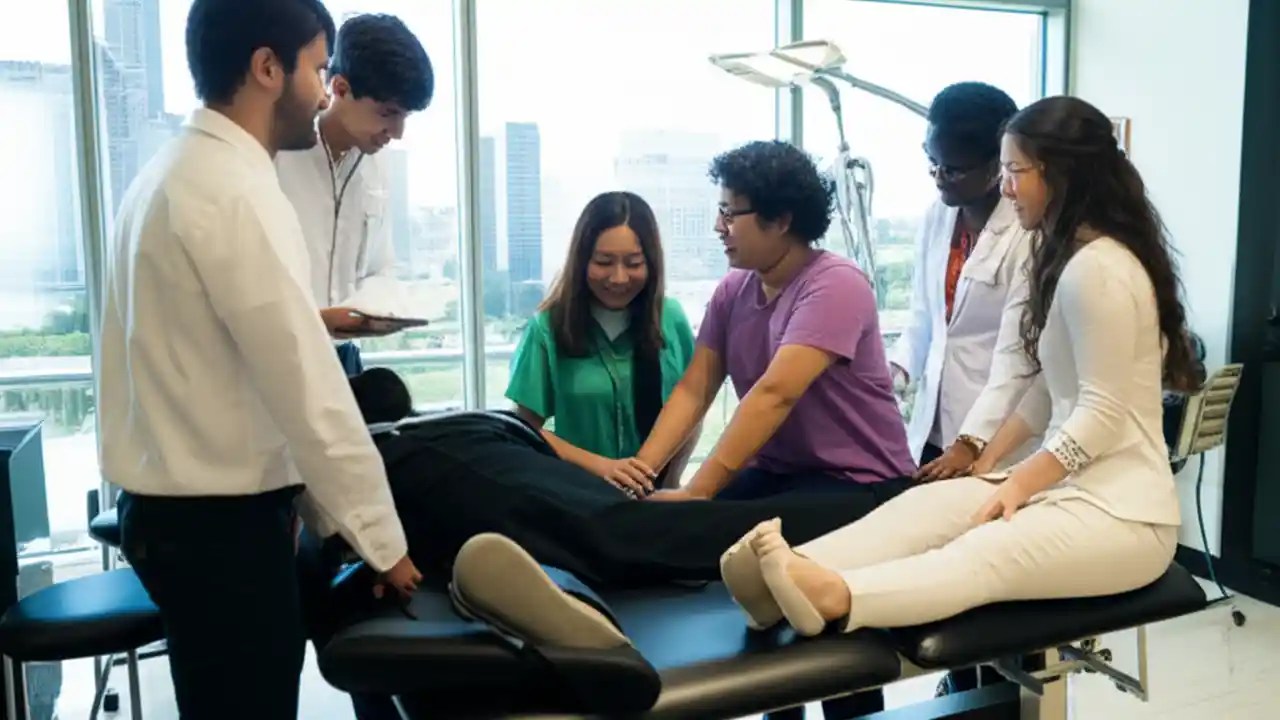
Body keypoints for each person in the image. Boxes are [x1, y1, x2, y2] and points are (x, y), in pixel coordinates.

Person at [712, 94, 1196, 641]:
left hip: (1122, 513)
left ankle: (835, 594)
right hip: (1064, 487)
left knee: (986, 550)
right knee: (930, 506)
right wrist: (988, 466)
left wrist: (1018, 483)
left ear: (1062, 174)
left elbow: (1101, 414)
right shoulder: (1062, 257)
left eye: (1014, 171)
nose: (1006, 187)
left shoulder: (1101, 270)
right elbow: (1044, 388)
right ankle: (790, 570)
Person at [97, 2, 421, 717]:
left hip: (174, 519)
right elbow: (308, 387)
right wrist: (384, 546)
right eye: (316, 66)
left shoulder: (170, 173)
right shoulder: (237, 190)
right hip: (219, 533)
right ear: (268, 68)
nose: (323, 84)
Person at [300, 368, 913, 720]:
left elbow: (345, 515)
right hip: (490, 454)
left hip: (457, 468)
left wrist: (374, 555)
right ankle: (568, 601)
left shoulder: (375, 446)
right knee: (614, 538)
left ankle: (887, 505)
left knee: (626, 536)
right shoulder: (424, 425)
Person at [635, 140, 916, 502]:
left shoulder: (834, 284)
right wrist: (640, 474)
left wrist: (696, 494)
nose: (719, 226)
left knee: (705, 532)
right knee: (654, 524)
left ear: (781, 220)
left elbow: (775, 394)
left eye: (730, 213)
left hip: (860, 480)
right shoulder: (734, 289)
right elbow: (695, 389)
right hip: (779, 472)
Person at [888, 82, 1038, 476]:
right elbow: (924, 319)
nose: (938, 177)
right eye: (931, 161)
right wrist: (896, 371)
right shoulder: (937, 217)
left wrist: (973, 440)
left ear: (996, 166)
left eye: (952, 168)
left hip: (999, 433)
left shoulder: (1029, 234)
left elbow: (1021, 359)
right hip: (933, 424)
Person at [506, 191, 699, 494]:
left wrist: (672, 481)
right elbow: (525, 429)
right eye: (604, 262)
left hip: (655, 499)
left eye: (633, 263)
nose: (618, 278)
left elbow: (690, 411)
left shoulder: (670, 318)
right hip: (576, 498)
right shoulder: (548, 328)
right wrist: (603, 467)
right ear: (582, 260)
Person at [275, 12, 434, 376]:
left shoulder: (378, 164)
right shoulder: (277, 155)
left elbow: (381, 267)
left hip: (345, 357)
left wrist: (368, 312)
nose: (396, 132)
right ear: (340, 88)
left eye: (405, 116)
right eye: (387, 113)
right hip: (283, 357)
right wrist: (319, 321)